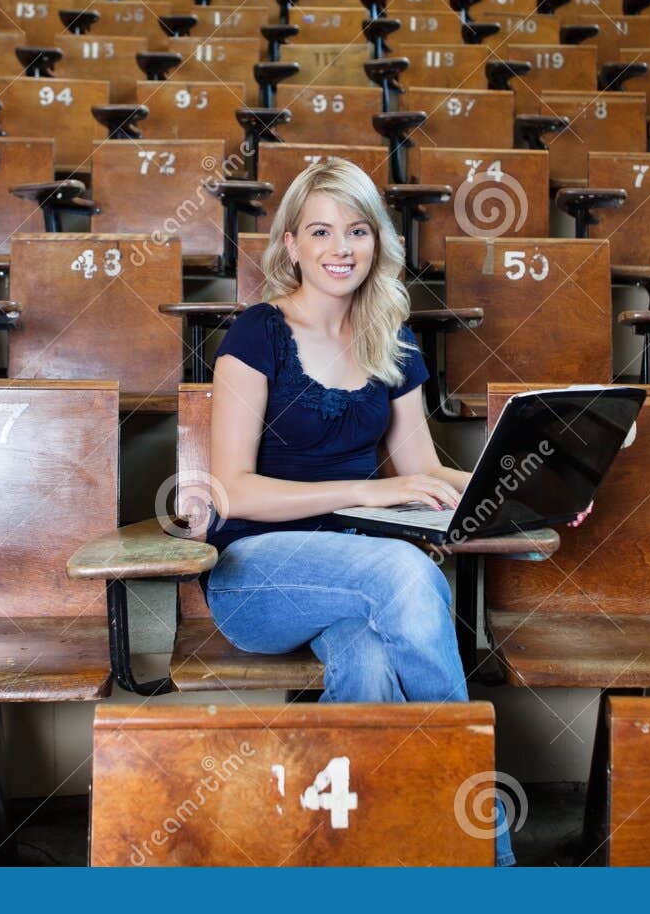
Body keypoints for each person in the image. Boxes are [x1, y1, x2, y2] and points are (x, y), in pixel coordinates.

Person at [202, 157, 545, 865]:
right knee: (405, 570)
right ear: (290, 244)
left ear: (377, 242)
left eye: (357, 230)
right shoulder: (255, 335)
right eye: (321, 231)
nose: (341, 248)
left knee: (366, 670)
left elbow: (421, 469)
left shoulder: (393, 336)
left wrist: (529, 491)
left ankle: (349, 866)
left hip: (357, 579)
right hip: (254, 576)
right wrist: (362, 491)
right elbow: (231, 489)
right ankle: (490, 859)